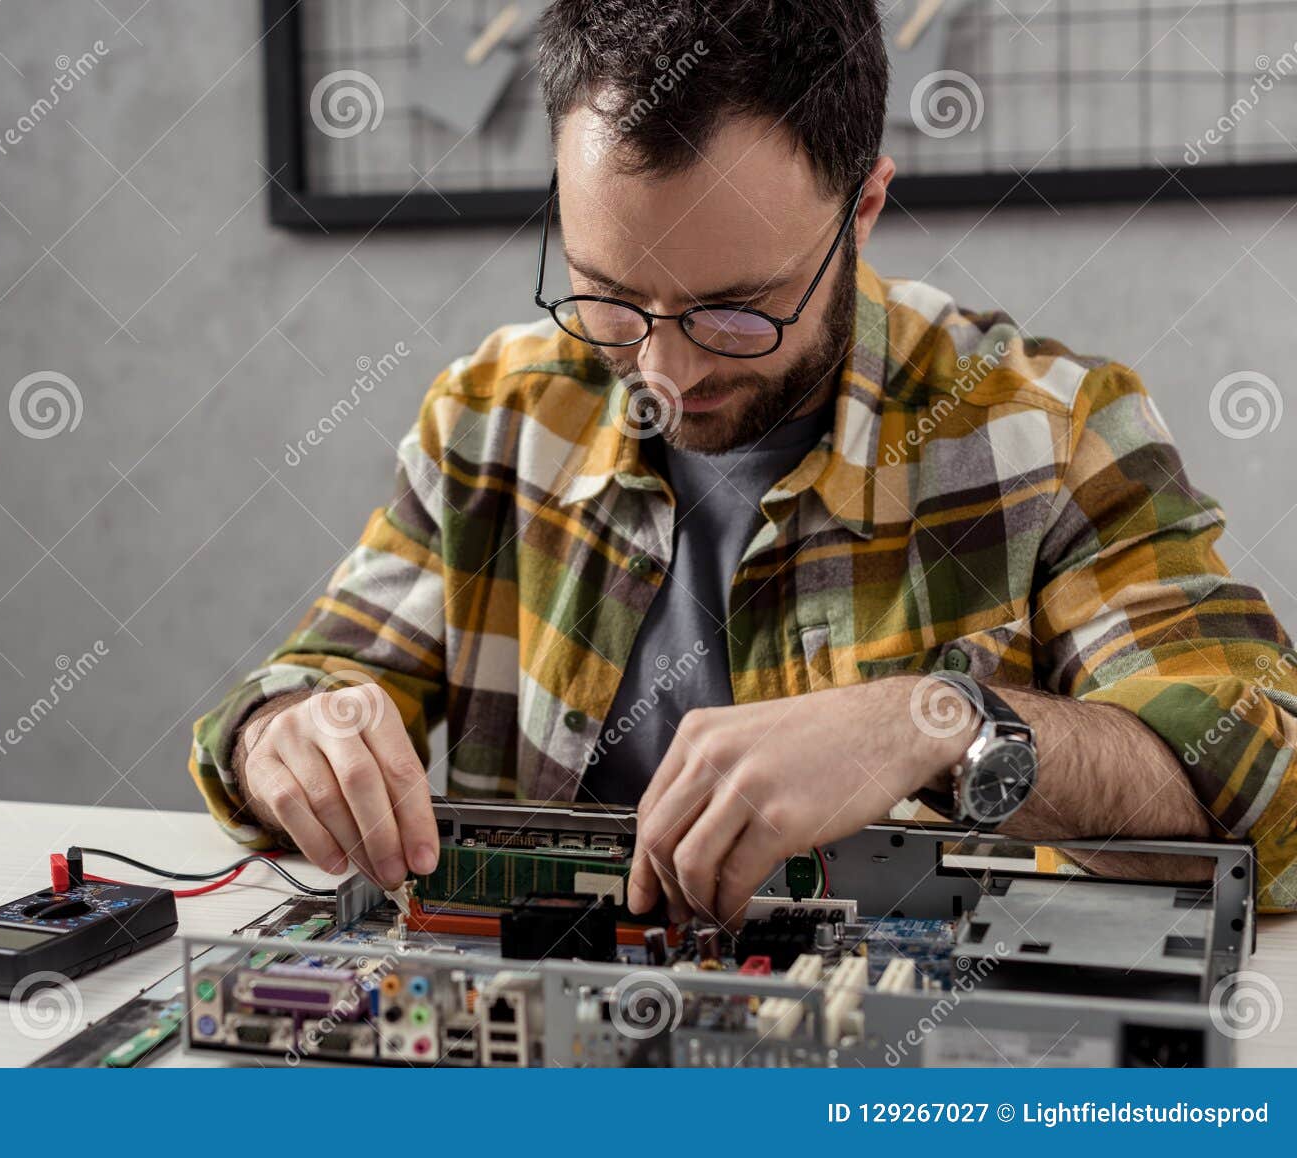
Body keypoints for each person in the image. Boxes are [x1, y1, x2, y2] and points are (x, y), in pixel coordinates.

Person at [189, 0, 1297, 926]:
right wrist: (284, 736)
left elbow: (1268, 776)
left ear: (861, 207)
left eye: (734, 310)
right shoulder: (494, 415)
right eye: (609, 294)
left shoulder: (1048, 432)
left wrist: (934, 726)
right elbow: (309, 685)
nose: (661, 367)